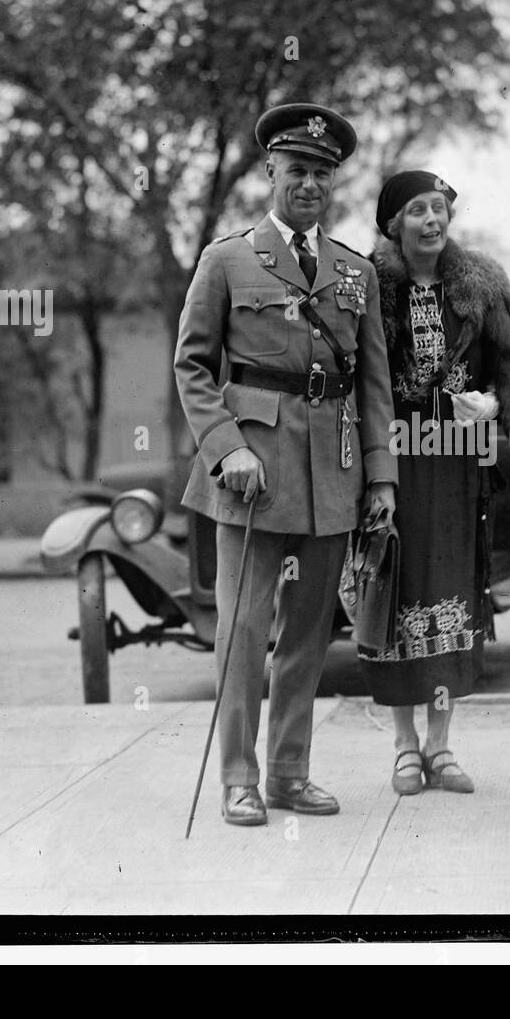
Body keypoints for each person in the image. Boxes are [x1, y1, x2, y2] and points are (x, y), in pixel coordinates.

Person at [174, 102, 397, 827]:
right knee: (242, 631)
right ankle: (238, 778)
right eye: (297, 169)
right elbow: (194, 367)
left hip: (332, 472)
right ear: (271, 170)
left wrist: (382, 479)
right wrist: (227, 447)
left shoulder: (354, 272)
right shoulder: (227, 259)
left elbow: (374, 388)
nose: (309, 184)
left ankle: (290, 775)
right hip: (253, 472)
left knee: (308, 635)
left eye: (322, 174)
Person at [361, 170, 510, 796]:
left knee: (454, 591)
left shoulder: (482, 282)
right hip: (395, 461)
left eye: (440, 209)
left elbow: (507, 365)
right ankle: (405, 747)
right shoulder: (369, 288)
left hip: (458, 460)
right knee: (399, 593)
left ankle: (442, 745)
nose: (432, 220)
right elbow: (358, 381)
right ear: (392, 225)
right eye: (417, 211)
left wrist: (493, 406)